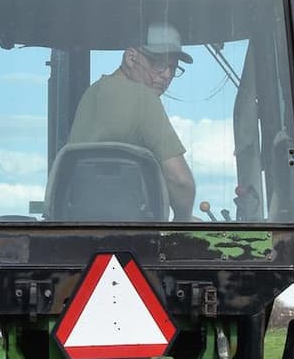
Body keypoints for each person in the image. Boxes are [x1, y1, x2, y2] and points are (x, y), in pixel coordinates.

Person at [65, 22, 196, 220]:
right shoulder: (144, 99)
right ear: (131, 57)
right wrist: (183, 220)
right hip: (133, 233)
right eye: (159, 64)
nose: (167, 75)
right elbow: (179, 181)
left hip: (76, 227)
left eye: (172, 67)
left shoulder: (92, 92)